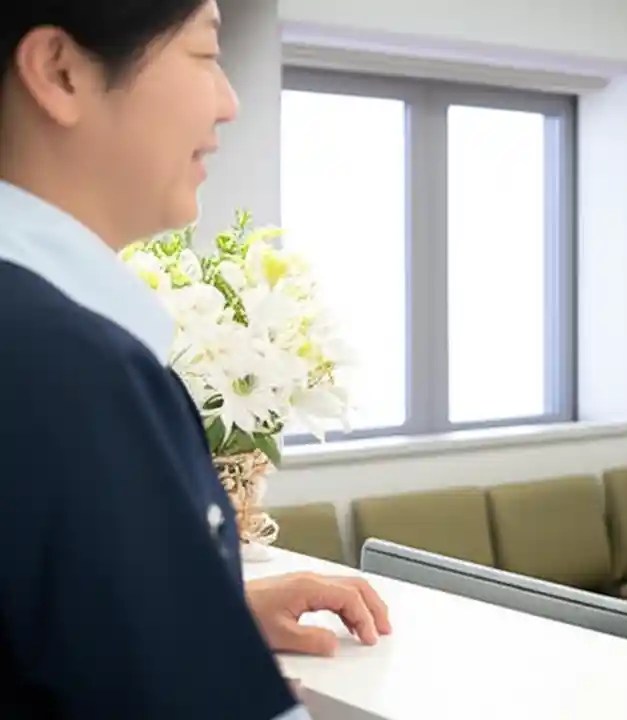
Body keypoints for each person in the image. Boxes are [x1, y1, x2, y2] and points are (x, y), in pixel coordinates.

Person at [0, 1, 390, 717]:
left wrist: (206, 612)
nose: (229, 103)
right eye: (205, 54)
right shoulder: (71, 374)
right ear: (60, 73)